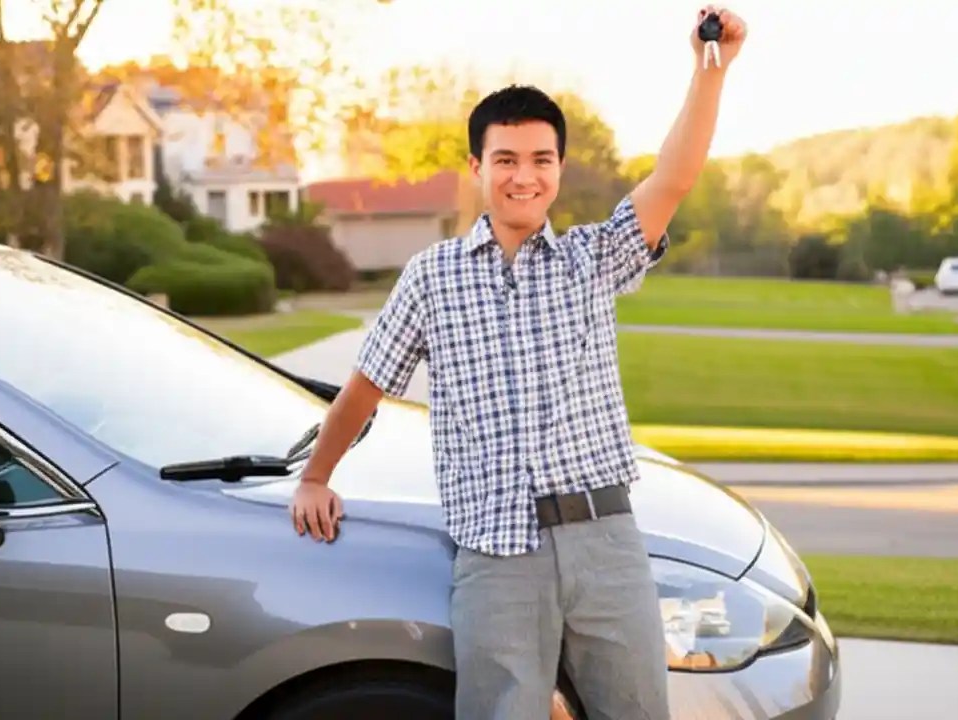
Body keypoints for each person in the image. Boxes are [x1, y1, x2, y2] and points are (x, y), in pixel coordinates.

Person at [289, 6, 747, 719]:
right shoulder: (432, 277)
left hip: (604, 543)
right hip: (496, 559)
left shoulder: (592, 259)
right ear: (477, 168)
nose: (523, 177)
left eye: (540, 160)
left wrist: (708, 68)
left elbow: (675, 177)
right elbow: (365, 387)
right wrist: (317, 476)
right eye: (505, 160)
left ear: (559, 168)